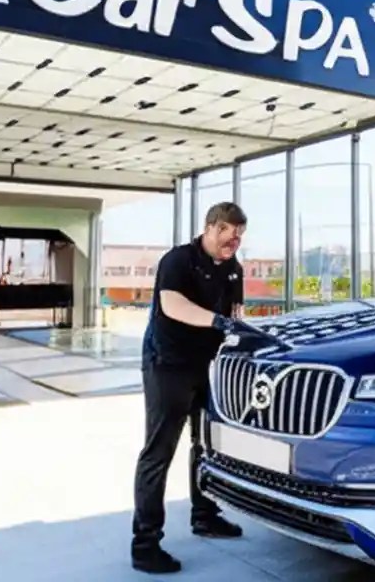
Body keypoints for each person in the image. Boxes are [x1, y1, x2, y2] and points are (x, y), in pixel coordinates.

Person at [131, 202, 248, 574]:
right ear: (212, 228)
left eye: (239, 238)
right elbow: (173, 306)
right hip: (167, 364)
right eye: (229, 236)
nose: (234, 244)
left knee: (206, 444)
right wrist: (217, 321)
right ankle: (145, 544)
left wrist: (241, 333)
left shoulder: (233, 269)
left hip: (205, 365)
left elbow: (235, 314)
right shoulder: (178, 260)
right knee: (159, 450)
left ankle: (205, 514)